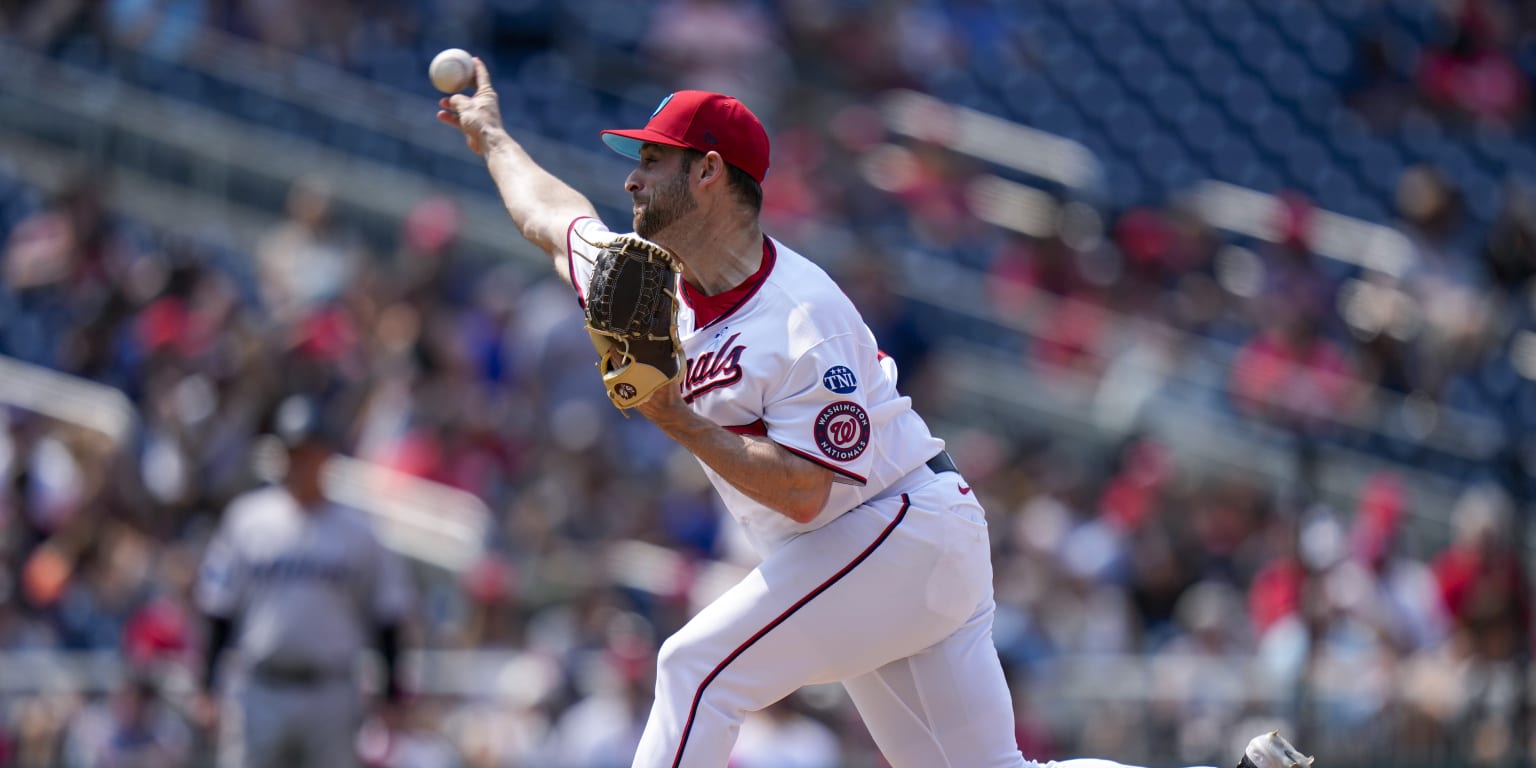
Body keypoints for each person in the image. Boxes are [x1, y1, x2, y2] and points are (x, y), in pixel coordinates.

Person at [437, 58, 1315, 768]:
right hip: (872, 550)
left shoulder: (799, 317)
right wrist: (493, 139)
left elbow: (808, 494)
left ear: (708, 174)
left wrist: (675, 417)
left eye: (653, 160)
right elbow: (557, 220)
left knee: (695, 669)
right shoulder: (648, 286)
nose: (631, 179)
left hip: (893, 526)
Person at [195, 394, 413, 768]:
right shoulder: (248, 520)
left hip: (332, 689)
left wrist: (391, 694)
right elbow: (219, 607)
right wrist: (208, 687)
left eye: (311, 451)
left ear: (327, 456)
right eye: (294, 452)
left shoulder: (358, 531)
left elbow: (387, 615)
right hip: (261, 686)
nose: (302, 463)